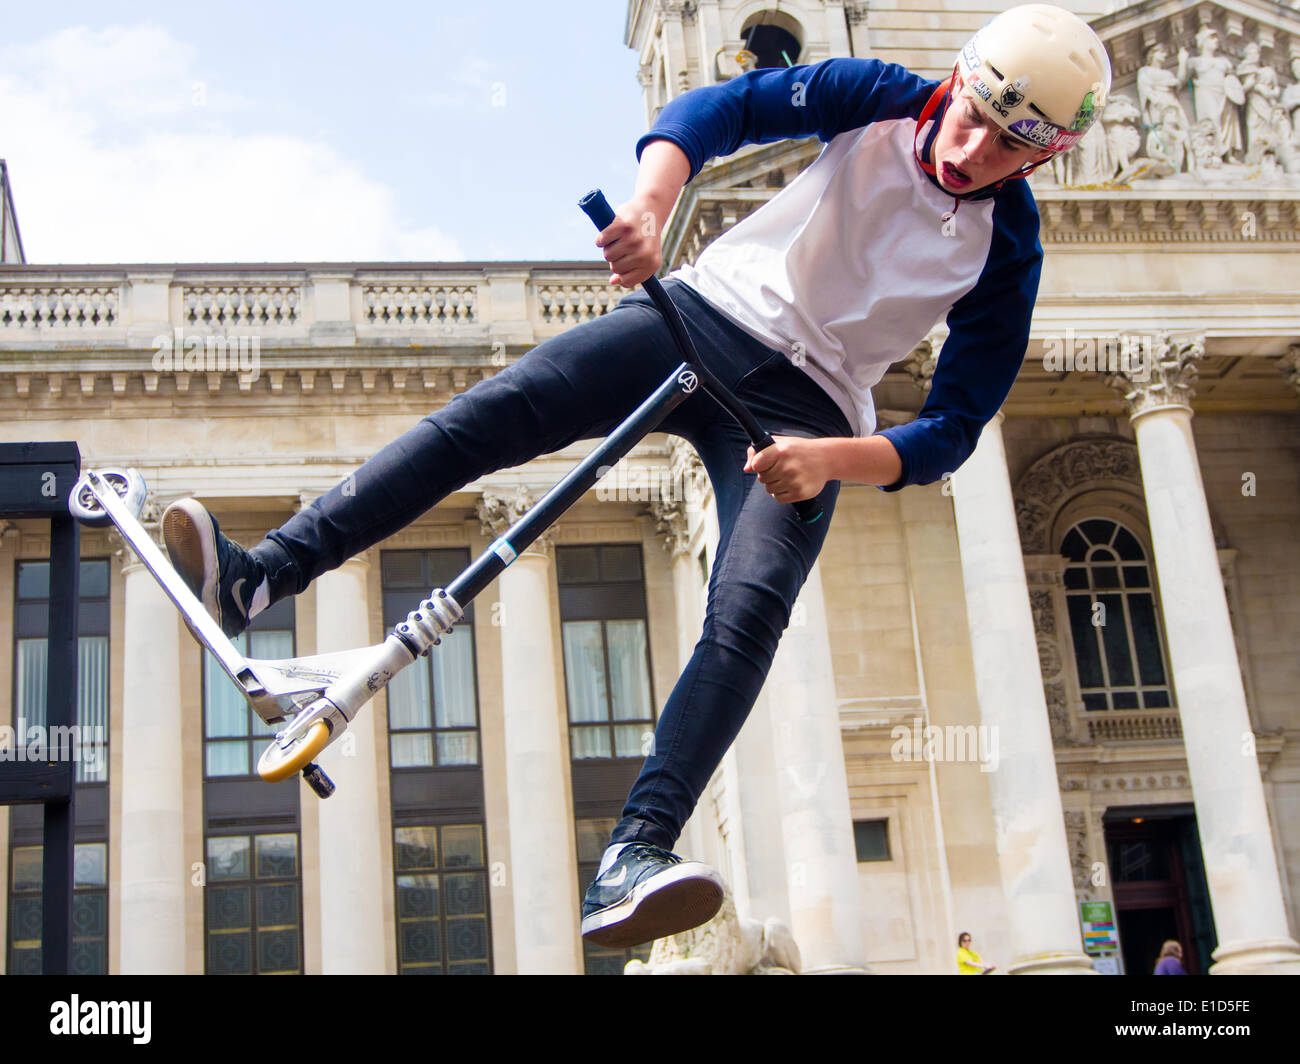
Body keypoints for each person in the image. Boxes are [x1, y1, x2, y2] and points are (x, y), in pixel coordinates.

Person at [161, 4, 1111, 950]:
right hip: (701, 313)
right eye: (973, 116)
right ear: (959, 80)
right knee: (493, 417)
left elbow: (952, 430)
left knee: (749, 613)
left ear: (1041, 157)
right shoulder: (877, 96)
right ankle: (262, 575)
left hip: (810, 411)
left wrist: (828, 462)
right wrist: (650, 212)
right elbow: (711, 114)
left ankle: (637, 852)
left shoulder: (1008, 249)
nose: (972, 148)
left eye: (1005, 148)